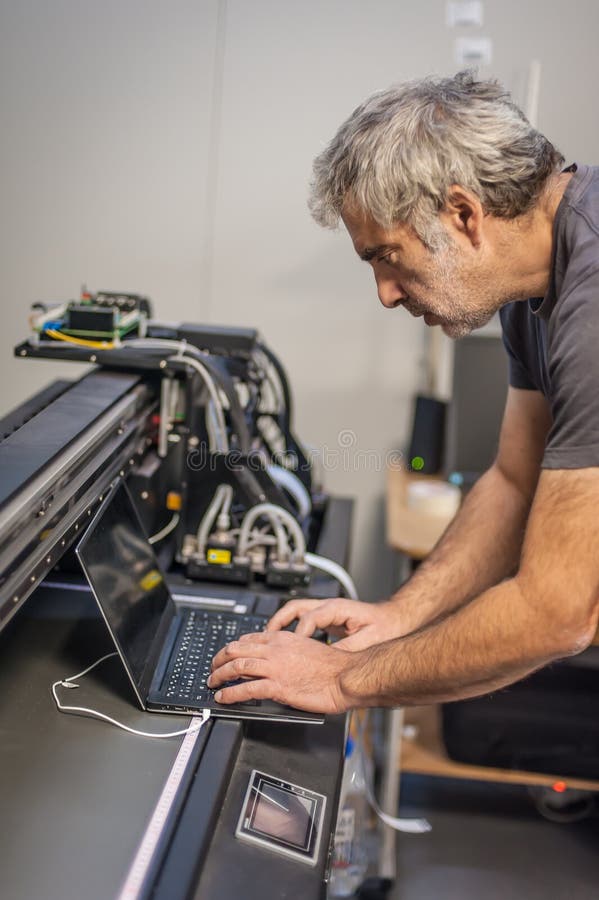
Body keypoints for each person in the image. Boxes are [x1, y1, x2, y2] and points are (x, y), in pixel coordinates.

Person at [209, 71, 599, 714]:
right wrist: (399, 614)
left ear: (465, 214)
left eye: (387, 257)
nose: (386, 294)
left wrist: (339, 680)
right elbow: (511, 480)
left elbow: (555, 614)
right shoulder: (534, 287)